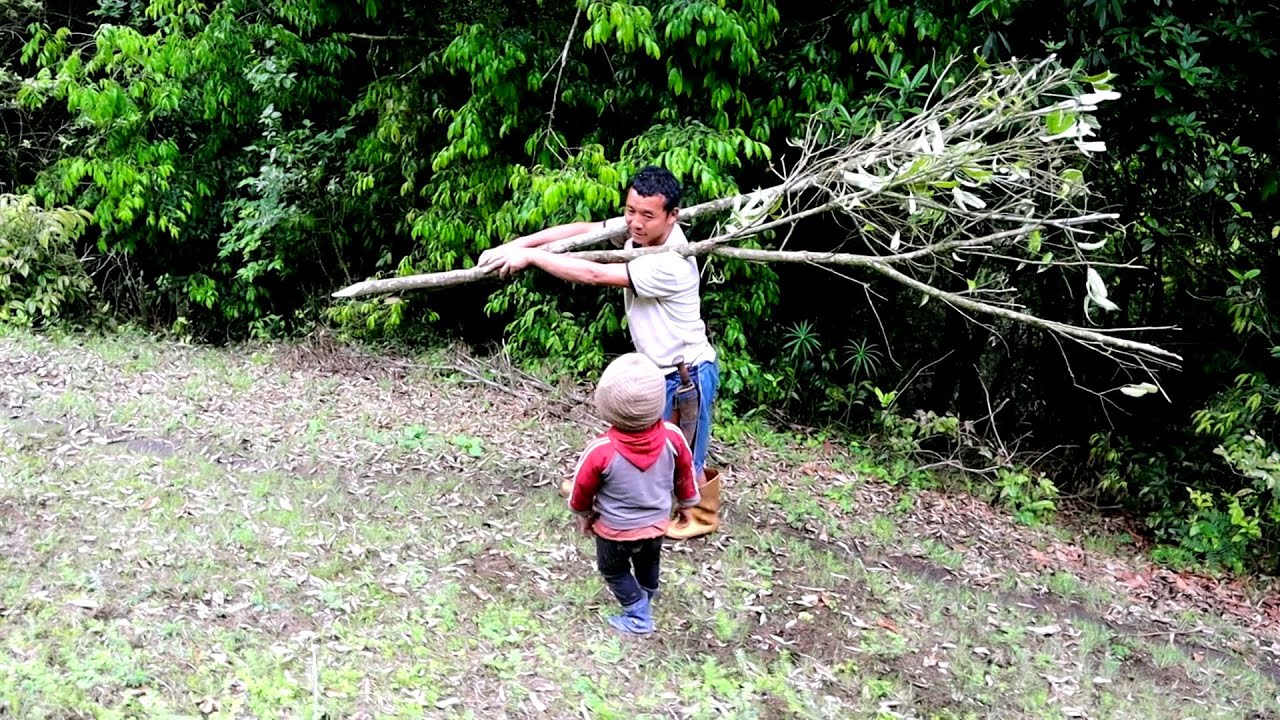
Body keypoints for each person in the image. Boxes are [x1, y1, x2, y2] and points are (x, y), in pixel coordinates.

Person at [478, 165, 722, 539]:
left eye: (647, 216)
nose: (635, 223)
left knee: (685, 450)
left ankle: (702, 517)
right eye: (630, 211)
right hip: (656, 369)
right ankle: (608, 493)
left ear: (672, 216)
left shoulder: (672, 262)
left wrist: (534, 258)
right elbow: (582, 230)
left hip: (687, 371)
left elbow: (593, 275)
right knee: (641, 440)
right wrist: (519, 244)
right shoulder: (637, 232)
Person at [567, 353, 699, 635]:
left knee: (613, 569)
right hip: (656, 525)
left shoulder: (600, 450)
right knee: (648, 560)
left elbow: (581, 490)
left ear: (605, 406)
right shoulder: (673, 437)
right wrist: (687, 504)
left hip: (616, 530)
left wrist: (584, 515)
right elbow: (685, 473)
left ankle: (638, 613)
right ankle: (647, 593)